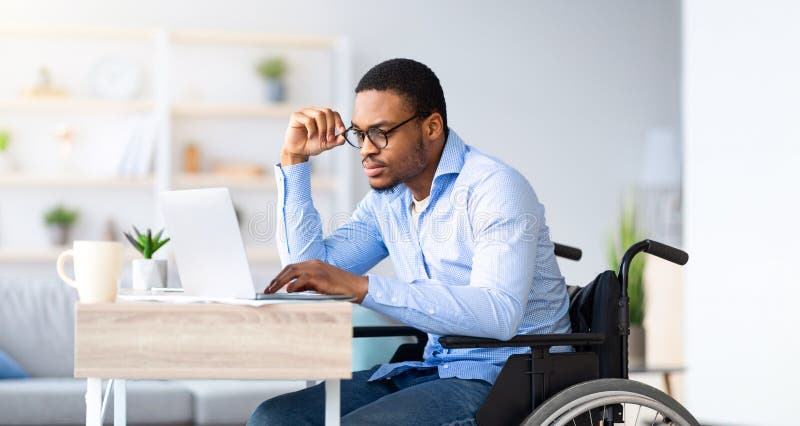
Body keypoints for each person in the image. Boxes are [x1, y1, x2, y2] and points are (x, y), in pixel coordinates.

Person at [248, 58, 571, 426]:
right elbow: (304, 277)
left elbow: (498, 314)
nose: (365, 149)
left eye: (381, 133)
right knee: (275, 417)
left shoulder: (495, 187)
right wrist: (294, 160)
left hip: (511, 378)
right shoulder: (388, 202)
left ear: (432, 127)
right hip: (434, 367)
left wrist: (361, 288)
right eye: (360, 133)